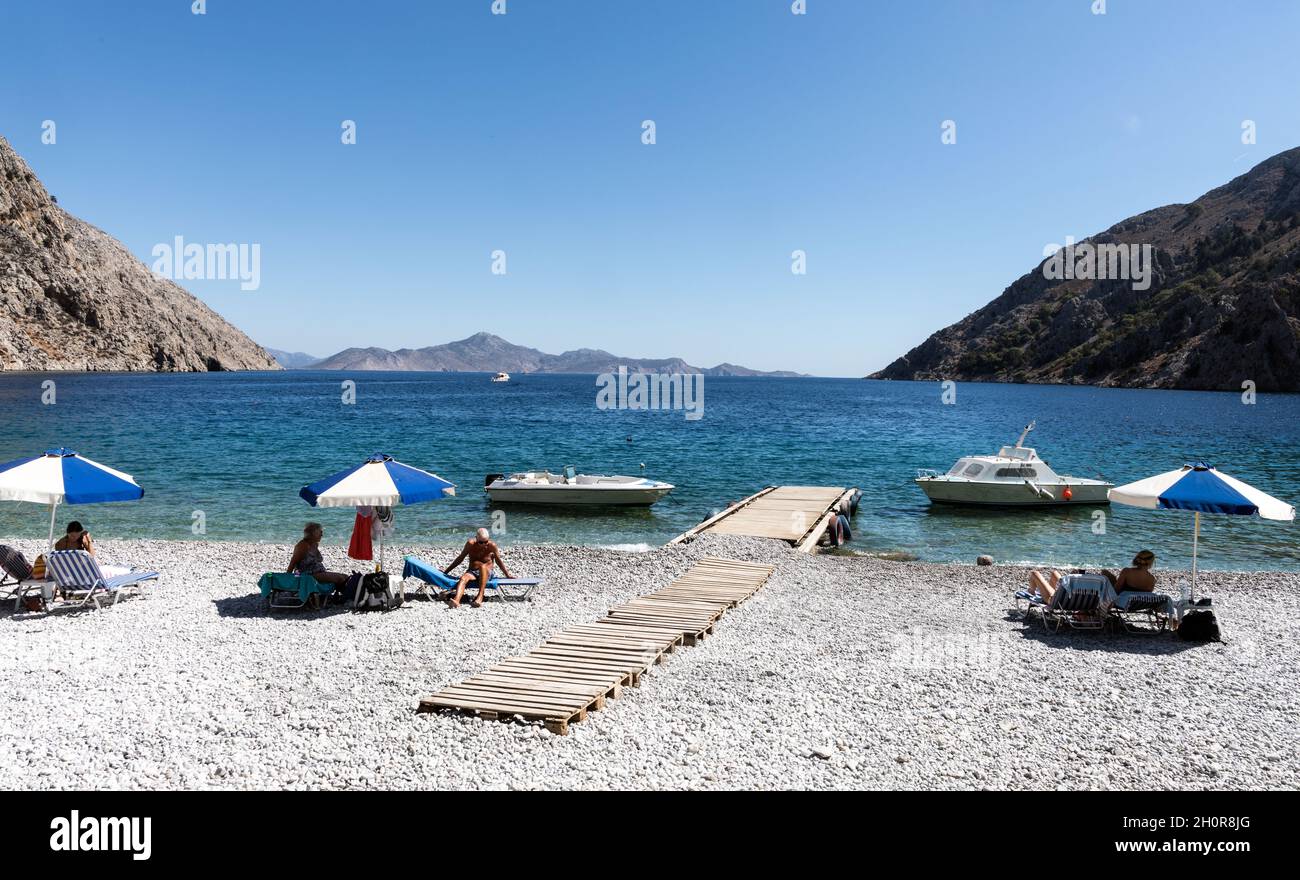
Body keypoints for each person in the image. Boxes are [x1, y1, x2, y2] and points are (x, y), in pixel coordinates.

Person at [443, 527, 514, 608]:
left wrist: (507, 574)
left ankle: (480, 597)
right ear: (476, 538)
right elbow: (460, 558)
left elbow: (498, 561)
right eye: (481, 542)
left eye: (486, 542)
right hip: (472, 572)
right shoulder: (470, 544)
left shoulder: (491, 546)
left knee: (482, 566)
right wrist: (446, 572)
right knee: (463, 578)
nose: (484, 544)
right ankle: (456, 600)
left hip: (487, 573)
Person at [287, 522, 350, 591]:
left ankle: (344, 597)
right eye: (320, 532)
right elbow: (293, 563)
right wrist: (290, 579)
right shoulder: (303, 546)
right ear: (313, 533)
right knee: (340, 578)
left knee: (345, 577)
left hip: (318, 573)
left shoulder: (314, 544)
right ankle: (346, 598)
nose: (322, 535)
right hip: (307, 576)